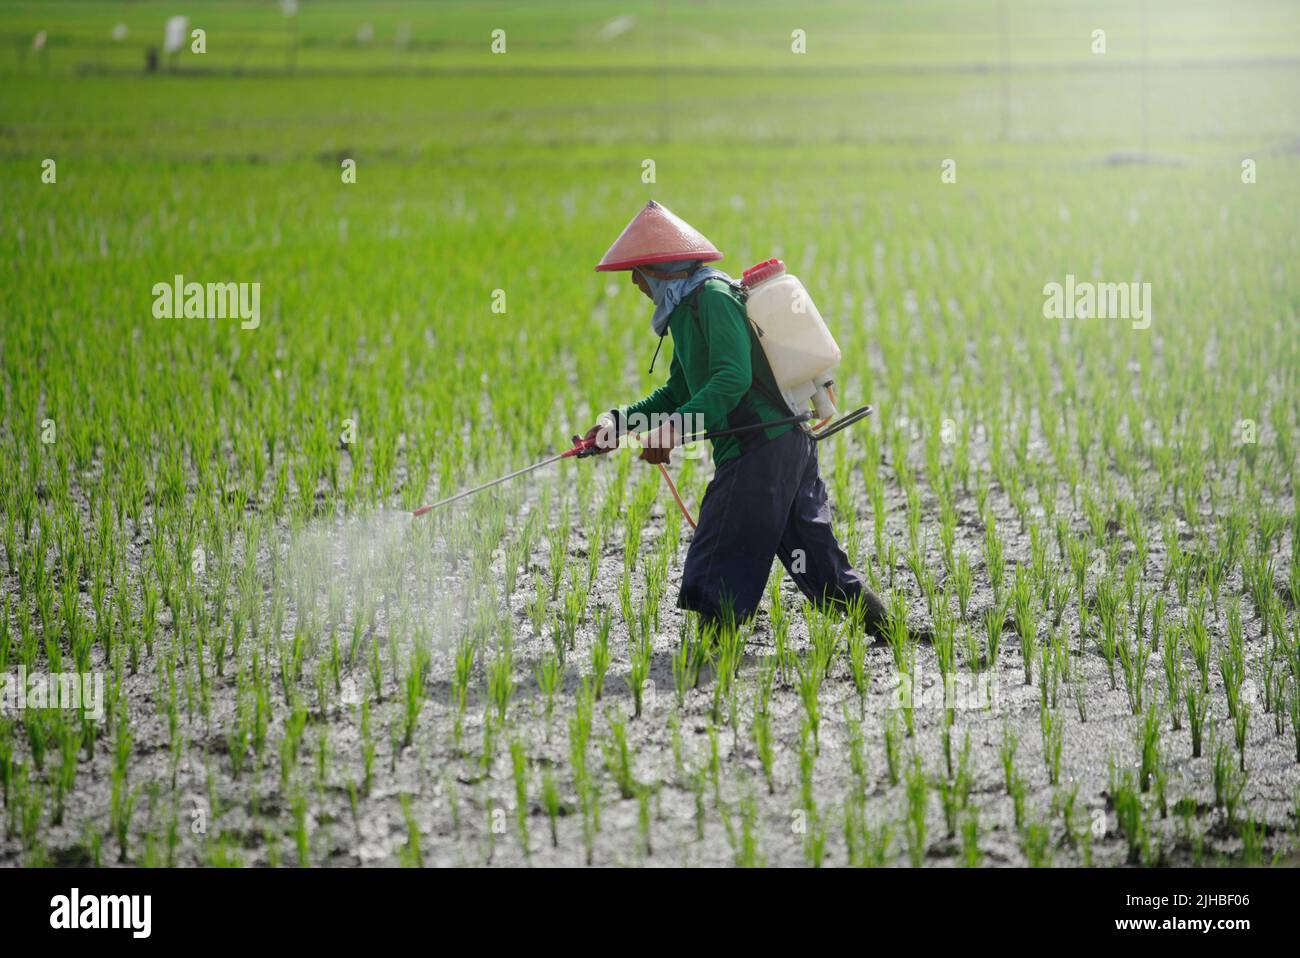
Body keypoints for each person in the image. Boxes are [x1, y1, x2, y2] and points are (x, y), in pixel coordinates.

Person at [582, 200, 902, 640]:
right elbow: (679, 390)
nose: (636, 283)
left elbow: (732, 377)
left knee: (722, 550)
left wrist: (675, 428)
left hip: (761, 449)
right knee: (818, 559)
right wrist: (618, 424)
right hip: (783, 447)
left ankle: (714, 657)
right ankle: (888, 630)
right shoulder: (686, 311)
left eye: (639, 272)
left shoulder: (711, 299)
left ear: (663, 267)